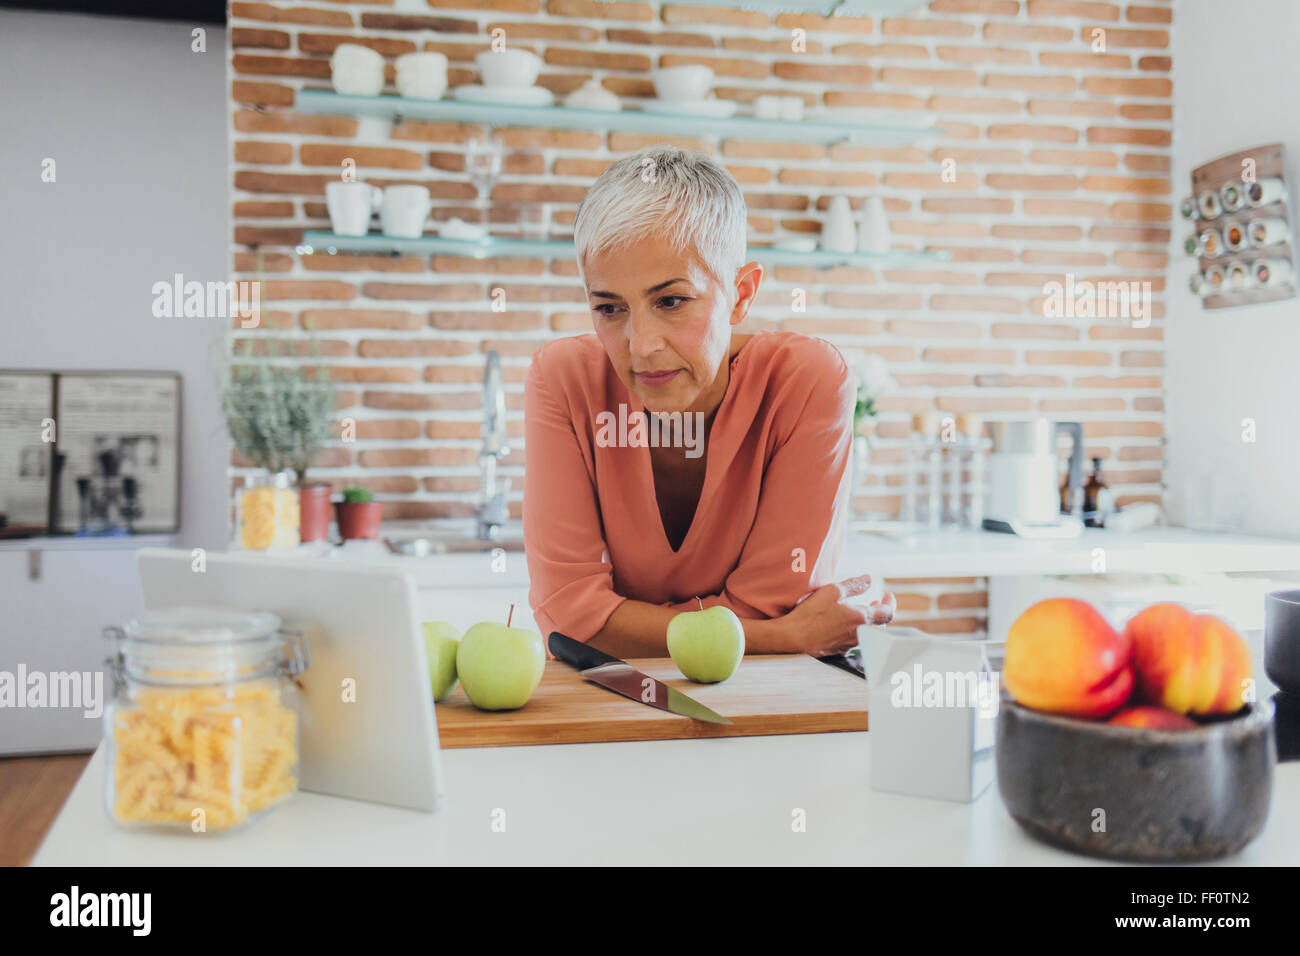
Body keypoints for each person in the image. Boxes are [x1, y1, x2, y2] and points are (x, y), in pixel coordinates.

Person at [523, 145, 894, 659]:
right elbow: (569, 618)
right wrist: (781, 638)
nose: (641, 344)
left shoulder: (807, 381)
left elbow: (768, 604)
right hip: (609, 703)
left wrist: (613, 622)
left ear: (741, 295)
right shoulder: (562, 379)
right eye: (610, 308)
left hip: (759, 703)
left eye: (671, 301)